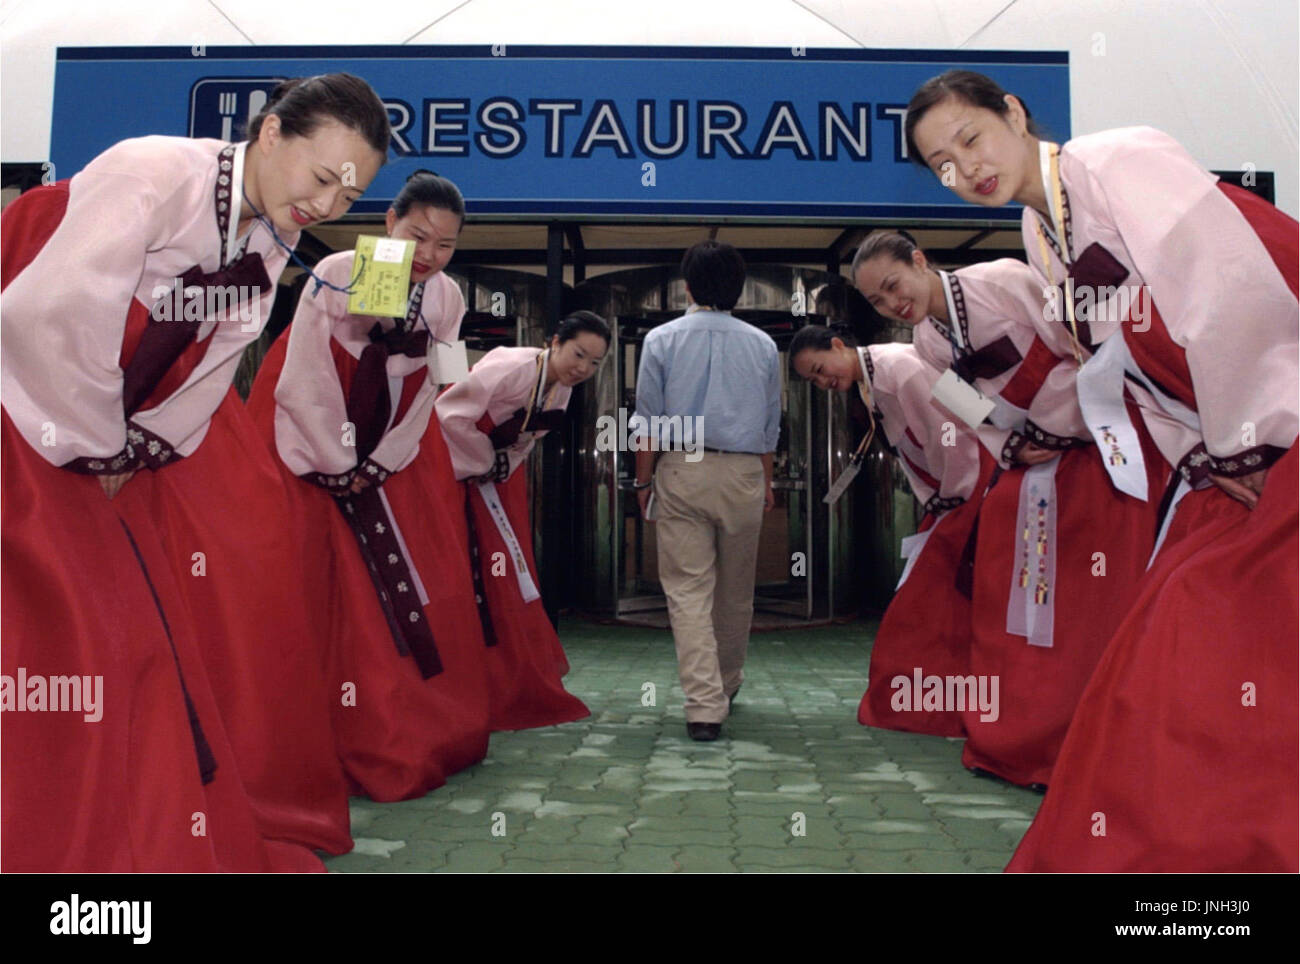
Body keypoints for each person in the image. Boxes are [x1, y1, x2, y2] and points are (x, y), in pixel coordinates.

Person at [907, 69, 1298, 870]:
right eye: (943, 166)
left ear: (1014, 112)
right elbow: (1122, 367)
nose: (966, 168)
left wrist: (1248, 441)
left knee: (1205, 632)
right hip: (1203, 448)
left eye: (970, 139)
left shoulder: (1115, 164)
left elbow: (1228, 287)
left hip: (1268, 422)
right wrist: (1198, 455)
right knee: (1180, 647)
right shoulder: (1034, 240)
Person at [2, 73, 388, 871]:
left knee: (131, 633)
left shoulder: (275, 236)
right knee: (59, 629)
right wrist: (99, 446)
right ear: (271, 133)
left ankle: (128, 820)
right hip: (29, 403)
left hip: (114, 435)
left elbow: (220, 360)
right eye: (322, 177)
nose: (326, 205)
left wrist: (149, 446)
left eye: (349, 198)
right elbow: (53, 314)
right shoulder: (150, 171)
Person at [851, 230, 1166, 789]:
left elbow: (1088, 348)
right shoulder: (927, 342)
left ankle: (1093, 740)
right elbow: (969, 410)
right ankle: (1021, 735)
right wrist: (1014, 446)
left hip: (1101, 454)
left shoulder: (1002, 281)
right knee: (1013, 598)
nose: (893, 303)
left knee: (1095, 602)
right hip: (1037, 465)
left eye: (894, 285)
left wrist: (1074, 425)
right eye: (877, 301)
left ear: (919, 260)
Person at [246, 170, 492, 801]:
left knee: (408, 578)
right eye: (417, 237)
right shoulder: (339, 272)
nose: (429, 255)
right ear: (389, 224)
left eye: (445, 245)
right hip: (308, 436)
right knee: (310, 577)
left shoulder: (448, 297)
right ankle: (310, 730)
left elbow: (440, 382)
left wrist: (383, 460)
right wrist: (336, 462)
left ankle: (405, 719)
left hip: (396, 446)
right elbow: (304, 376)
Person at [790, 327, 987, 737]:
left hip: (969, 491)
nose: (823, 383)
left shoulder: (900, 367)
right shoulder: (876, 377)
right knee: (940, 607)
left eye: (820, 370)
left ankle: (938, 706)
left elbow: (952, 434)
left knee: (930, 607)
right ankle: (942, 705)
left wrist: (954, 501)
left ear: (838, 345)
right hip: (954, 496)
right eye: (813, 381)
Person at [632, 241, 780, 742]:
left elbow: (648, 423)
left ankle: (703, 707)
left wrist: (644, 481)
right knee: (736, 591)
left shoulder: (660, 339)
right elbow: (770, 427)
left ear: (687, 287)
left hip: (683, 466)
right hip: (744, 471)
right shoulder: (764, 345)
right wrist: (766, 480)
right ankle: (728, 683)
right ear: (739, 289)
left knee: (688, 591)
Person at [435, 311, 609, 731]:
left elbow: (527, 441)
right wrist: (484, 461)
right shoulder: (511, 365)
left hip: (498, 476)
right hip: (452, 468)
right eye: (578, 354)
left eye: (594, 363)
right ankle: (462, 677)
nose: (583, 368)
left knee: (508, 572)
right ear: (555, 341)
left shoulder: (562, 388)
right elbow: (448, 413)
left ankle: (508, 673)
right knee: (462, 568)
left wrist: (501, 465)